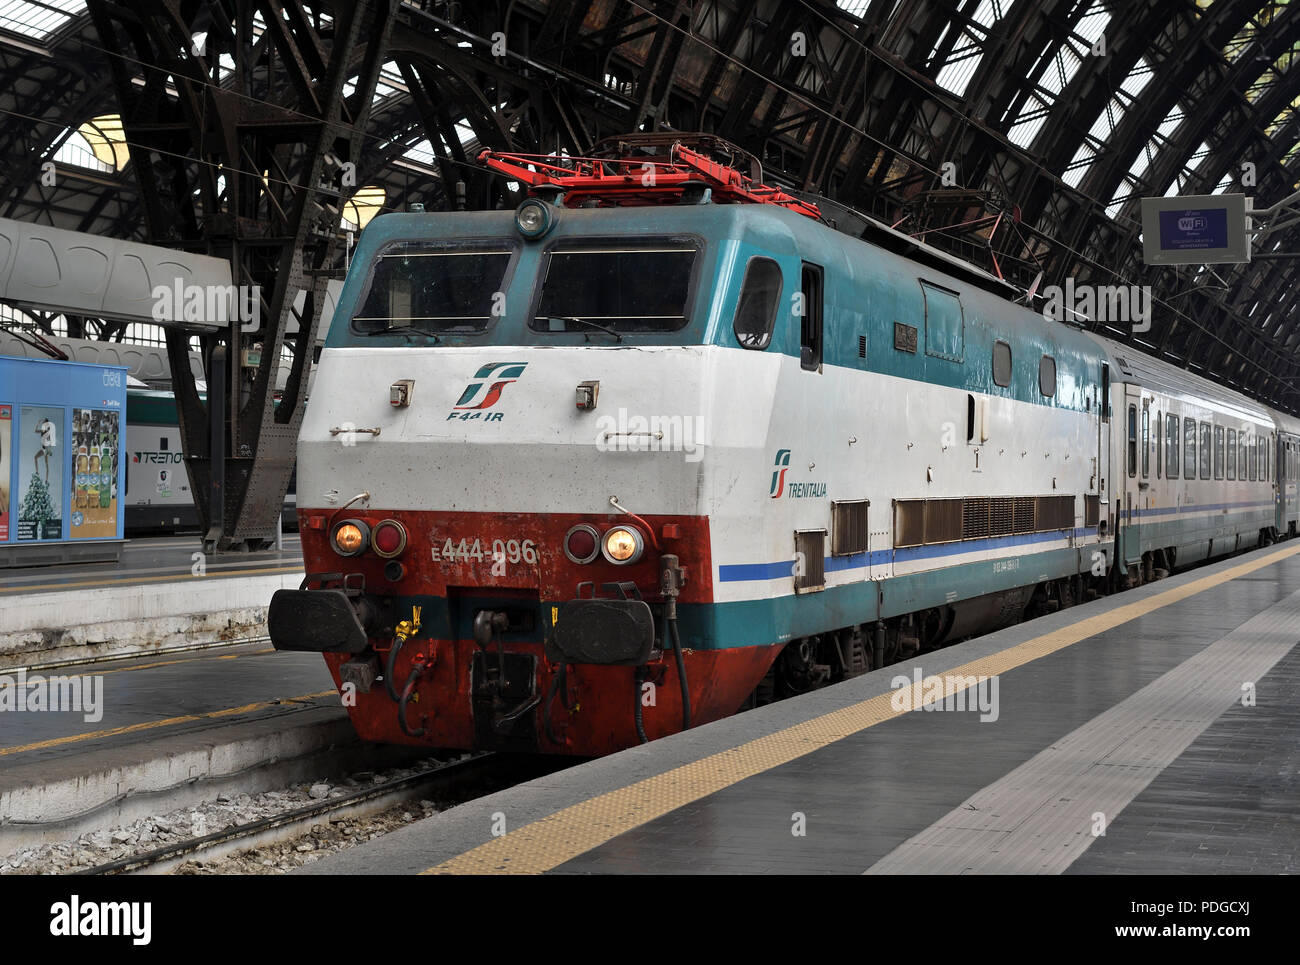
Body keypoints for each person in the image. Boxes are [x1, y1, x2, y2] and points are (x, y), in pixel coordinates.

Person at [35, 415, 55, 483]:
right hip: (43, 449)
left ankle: (46, 480)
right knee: (35, 457)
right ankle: (37, 472)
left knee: (46, 464)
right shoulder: (43, 430)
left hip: (46, 449)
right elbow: (35, 431)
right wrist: (38, 423)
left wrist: (49, 451)